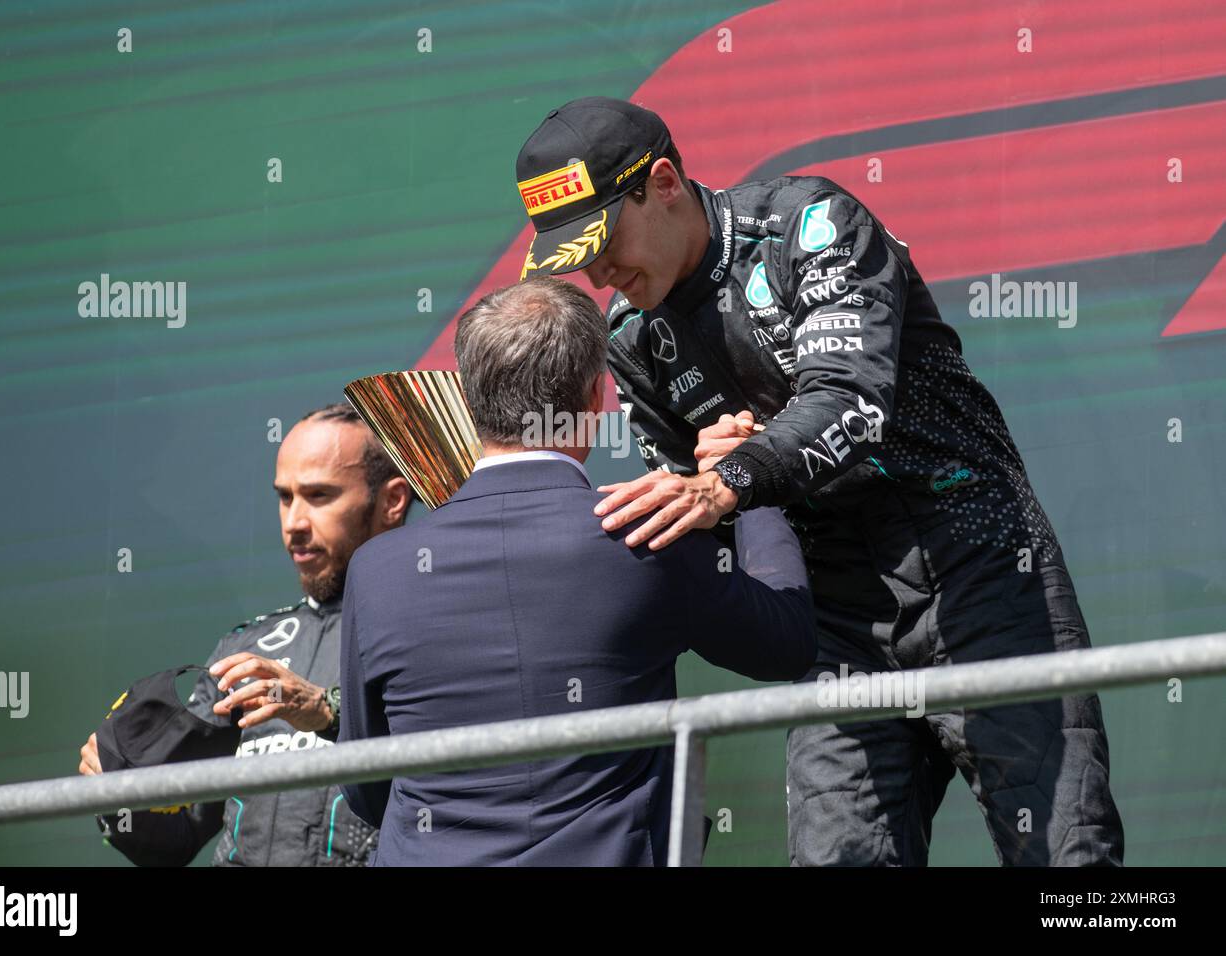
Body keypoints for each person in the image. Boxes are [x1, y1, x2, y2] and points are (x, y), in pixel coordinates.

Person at [513, 97, 1124, 866]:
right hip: (837, 622)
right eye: (577, 258)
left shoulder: (809, 226)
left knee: (1070, 857)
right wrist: (708, 493)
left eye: (604, 240)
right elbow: (712, 527)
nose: (598, 271)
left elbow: (849, 401)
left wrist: (726, 478)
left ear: (663, 182)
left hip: (979, 565)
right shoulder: (634, 343)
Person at [338, 278, 816, 866]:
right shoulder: (648, 533)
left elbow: (364, 784)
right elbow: (787, 642)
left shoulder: (376, 569)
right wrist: (743, 482)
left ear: (466, 401)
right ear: (598, 398)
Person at [77, 403, 411, 866]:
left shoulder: (428, 632)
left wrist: (324, 710)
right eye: (284, 497)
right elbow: (179, 835)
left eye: (319, 496)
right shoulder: (245, 649)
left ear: (392, 501)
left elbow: (464, 774)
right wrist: (114, 802)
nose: (294, 522)